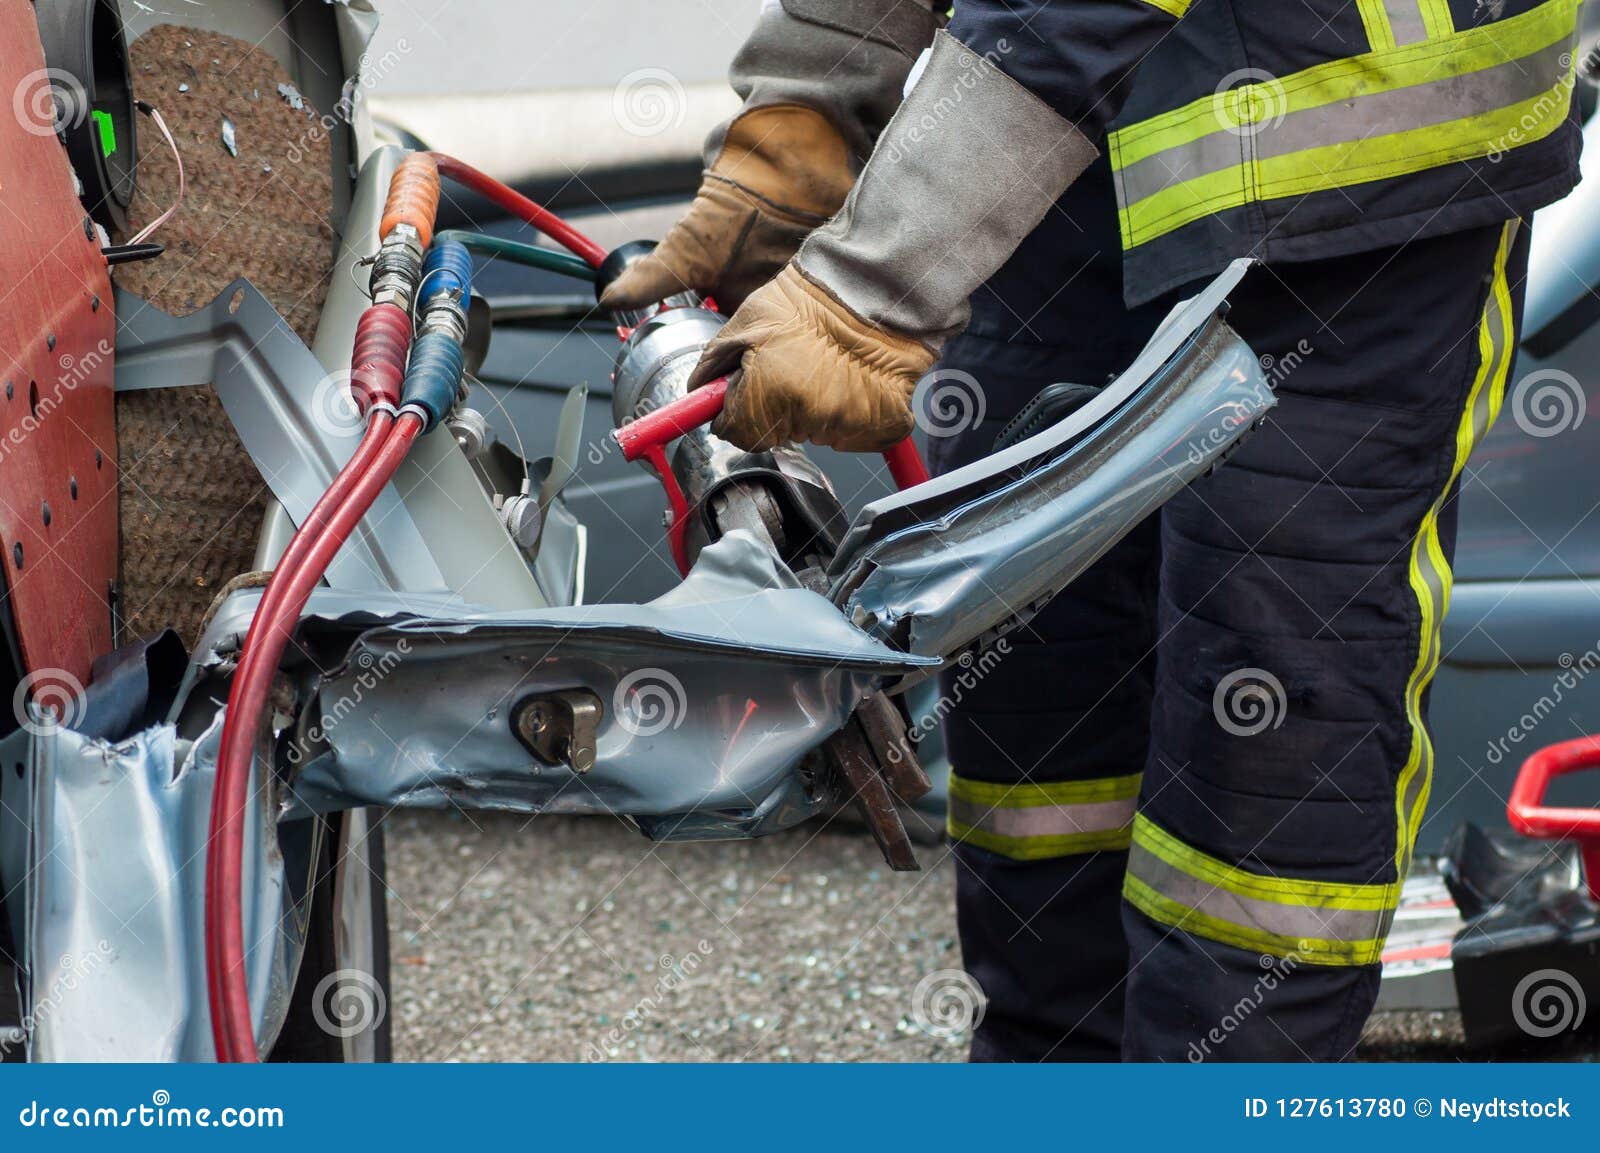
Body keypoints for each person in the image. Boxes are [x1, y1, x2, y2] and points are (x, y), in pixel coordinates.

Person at [603, 0, 1585, 1060]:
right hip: (1067, 151)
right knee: (1036, 682)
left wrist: (870, 283)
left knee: (1268, 722)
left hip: (1357, 166)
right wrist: (808, 110)